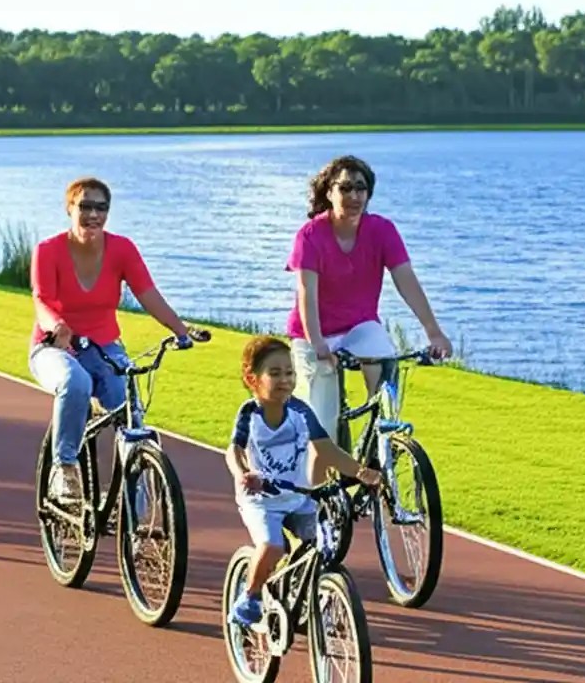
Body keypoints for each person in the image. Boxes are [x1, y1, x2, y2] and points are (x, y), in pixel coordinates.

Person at [29, 176, 193, 502]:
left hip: (104, 349)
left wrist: (180, 329)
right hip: (55, 347)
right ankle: (65, 467)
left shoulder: (122, 249)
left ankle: (138, 512)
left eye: (101, 208)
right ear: (69, 208)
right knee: (75, 383)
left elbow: (148, 294)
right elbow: (41, 300)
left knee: (129, 410)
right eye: (85, 206)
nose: (93, 214)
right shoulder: (48, 251)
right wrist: (58, 327)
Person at [285, 154, 452, 456]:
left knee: (385, 362)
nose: (354, 196)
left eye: (360, 188)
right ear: (329, 192)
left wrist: (434, 332)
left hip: (358, 325)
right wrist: (318, 343)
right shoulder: (309, 235)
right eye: (345, 188)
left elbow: (406, 281)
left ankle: (378, 453)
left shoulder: (382, 230)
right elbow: (306, 293)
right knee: (322, 426)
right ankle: (315, 493)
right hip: (314, 332)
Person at [224, 335, 383, 627]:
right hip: (262, 502)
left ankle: (312, 596)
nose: (285, 380)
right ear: (252, 379)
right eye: (275, 373)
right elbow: (233, 451)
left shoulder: (300, 411)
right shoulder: (250, 414)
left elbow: (327, 449)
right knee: (273, 546)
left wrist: (361, 472)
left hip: (298, 498)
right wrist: (243, 474)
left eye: (290, 372)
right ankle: (251, 595)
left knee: (325, 545)